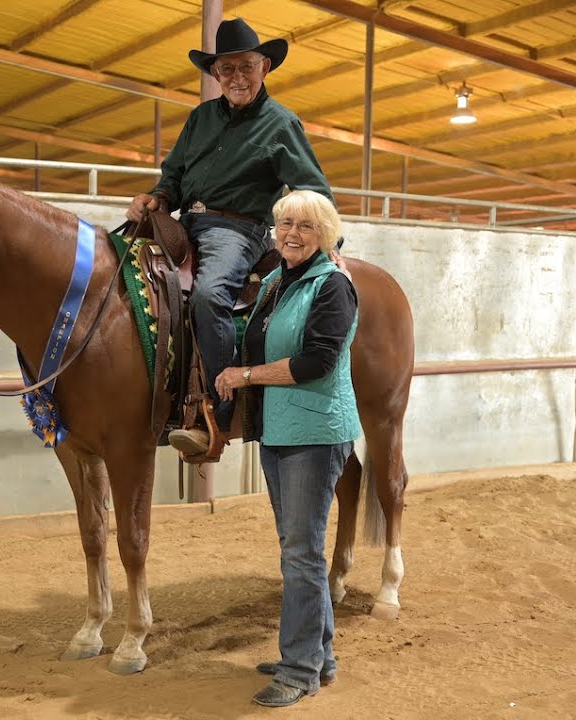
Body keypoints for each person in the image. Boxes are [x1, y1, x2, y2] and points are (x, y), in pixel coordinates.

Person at [125, 17, 335, 457]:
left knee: (208, 296)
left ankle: (215, 415)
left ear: (264, 68)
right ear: (216, 74)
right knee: (124, 272)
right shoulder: (200, 118)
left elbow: (314, 190)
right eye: (227, 69)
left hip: (240, 230)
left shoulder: (281, 124)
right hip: (185, 223)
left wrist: (323, 241)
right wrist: (158, 197)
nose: (237, 77)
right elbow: (174, 176)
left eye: (245, 67)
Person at [212, 189, 359, 708]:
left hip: (316, 434)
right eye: (284, 224)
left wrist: (245, 376)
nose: (291, 233)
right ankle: (320, 656)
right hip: (281, 433)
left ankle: (298, 670)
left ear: (325, 232)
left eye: (305, 225)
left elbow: (317, 361)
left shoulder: (333, 286)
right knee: (299, 551)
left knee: (300, 555)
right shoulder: (278, 280)